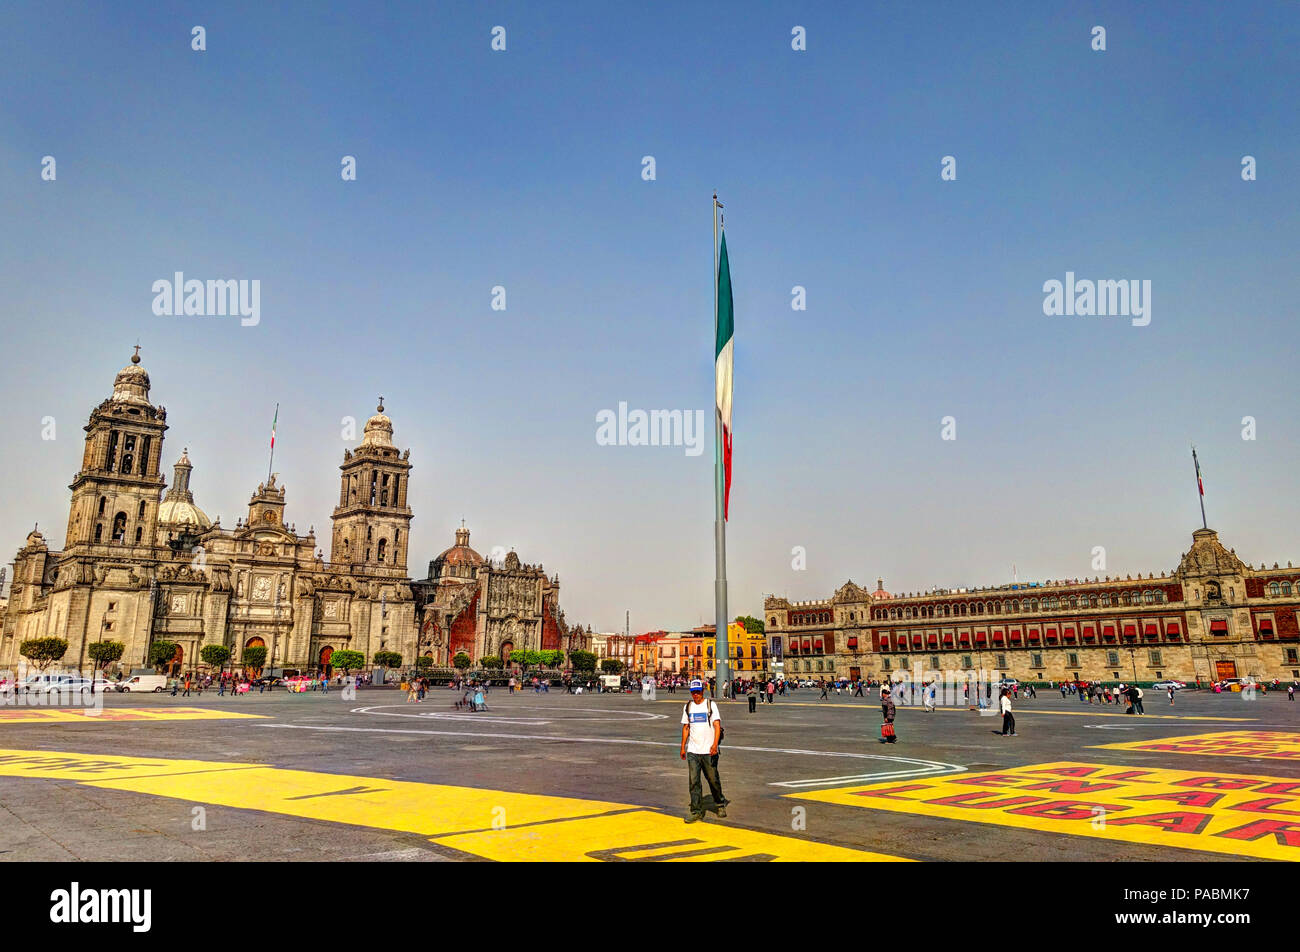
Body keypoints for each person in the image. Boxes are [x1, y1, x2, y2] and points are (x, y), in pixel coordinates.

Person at [680, 679, 727, 823]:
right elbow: (686, 727)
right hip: (693, 751)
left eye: (698, 692)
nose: (696, 695)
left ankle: (719, 803)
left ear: (703, 691)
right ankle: (696, 811)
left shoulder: (710, 705)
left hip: (709, 751)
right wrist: (683, 746)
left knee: (713, 780)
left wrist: (714, 745)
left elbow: (717, 726)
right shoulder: (688, 707)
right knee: (694, 781)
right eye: (693, 692)